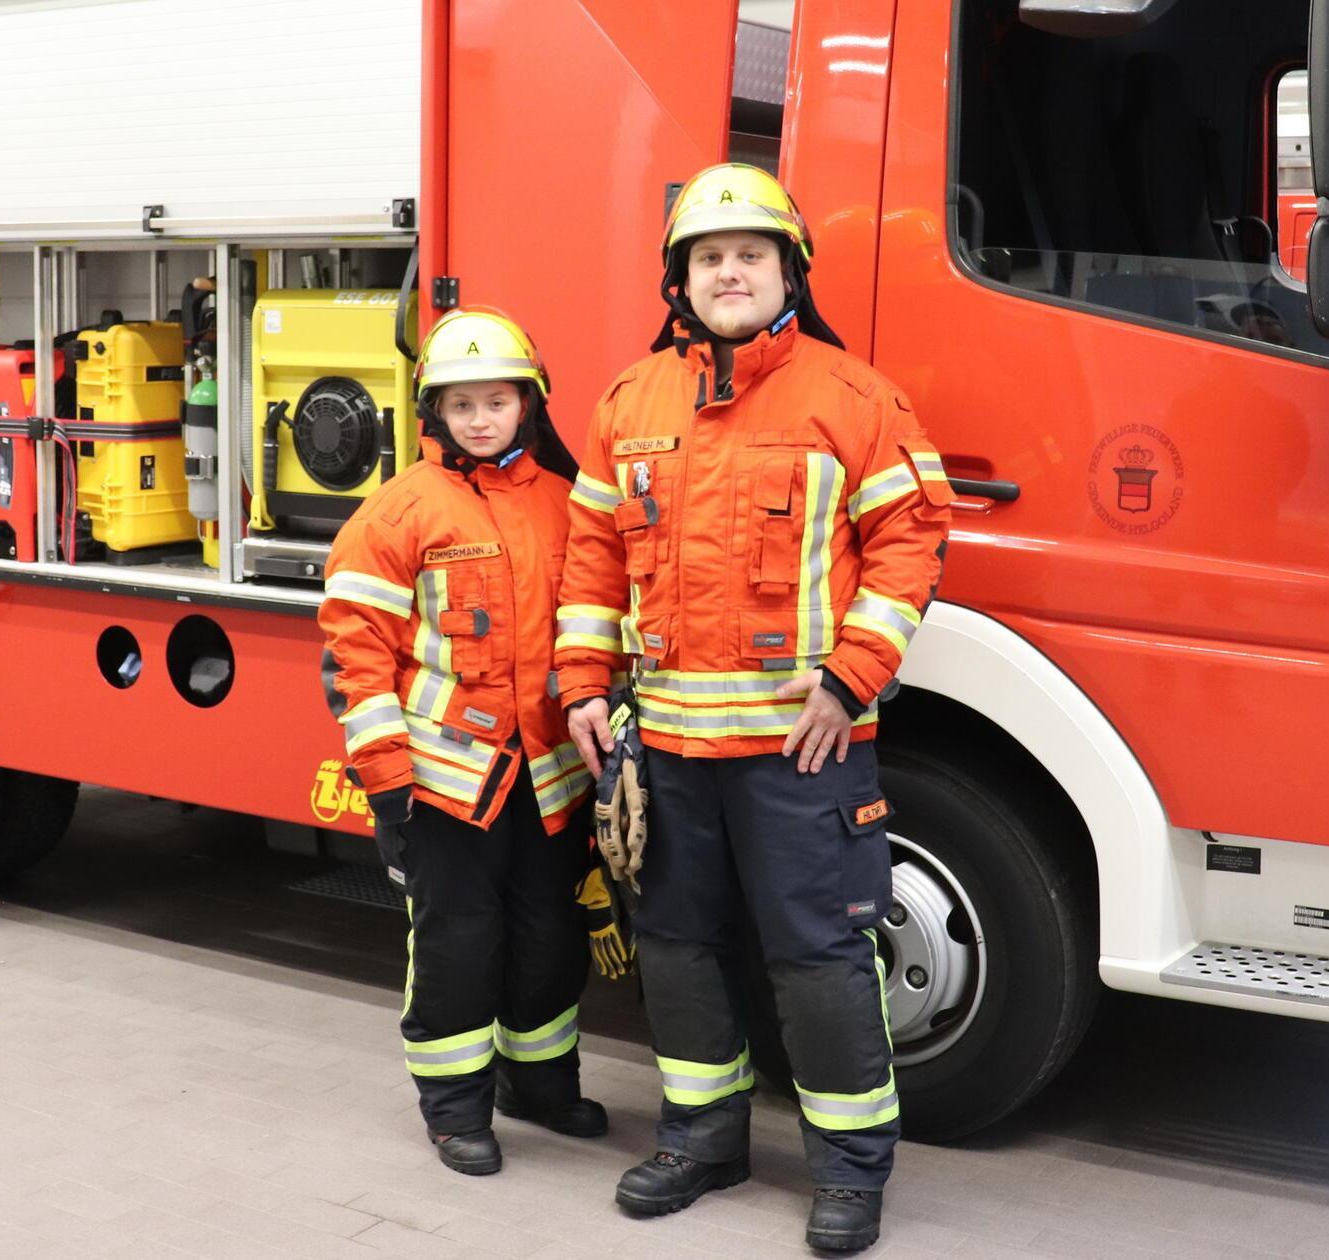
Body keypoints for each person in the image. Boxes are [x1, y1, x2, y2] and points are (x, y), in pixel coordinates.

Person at [555, 164, 952, 1251]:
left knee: (818, 958)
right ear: (679, 280)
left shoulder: (853, 398)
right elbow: (590, 558)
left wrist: (850, 676)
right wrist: (583, 686)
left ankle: (851, 1171)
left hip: (799, 749)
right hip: (667, 744)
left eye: (749, 255)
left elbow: (911, 545)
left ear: (789, 273)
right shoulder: (628, 403)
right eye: (707, 257)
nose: (728, 271)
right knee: (676, 946)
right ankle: (701, 1138)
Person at [319, 308, 603, 1176]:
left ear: (530, 404)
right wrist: (388, 781)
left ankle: (541, 1085)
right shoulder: (398, 511)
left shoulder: (569, 503)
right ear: (431, 414)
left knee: (551, 937)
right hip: (445, 786)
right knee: (457, 946)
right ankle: (454, 1109)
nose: (480, 419)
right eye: (461, 404)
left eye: (497, 401)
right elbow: (355, 657)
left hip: (550, 780)